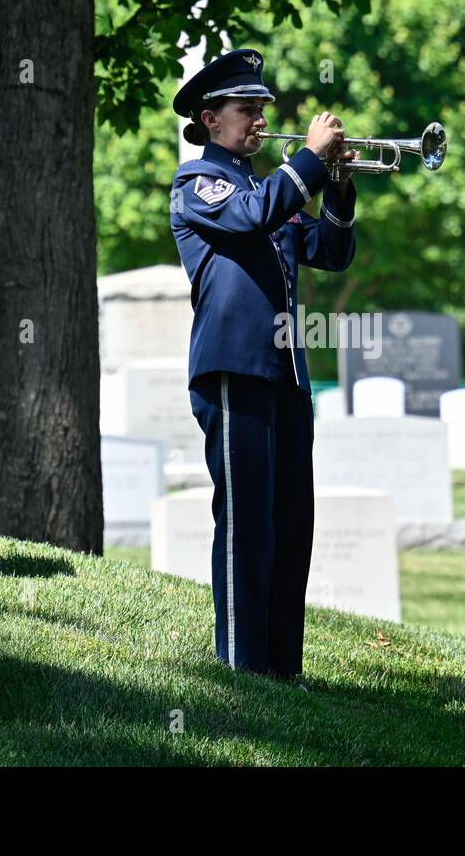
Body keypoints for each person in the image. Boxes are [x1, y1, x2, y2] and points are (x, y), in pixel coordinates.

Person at [170, 48, 359, 684]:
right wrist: (308, 159)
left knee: (289, 525)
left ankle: (283, 670)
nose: (257, 120)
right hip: (234, 368)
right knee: (246, 521)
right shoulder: (200, 183)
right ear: (209, 118)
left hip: (287, 378)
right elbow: (250, 218)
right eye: (246, 110)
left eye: (260, 110)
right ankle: (240, 666)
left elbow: (330, 250)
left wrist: (335, 180)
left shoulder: (268, 190)